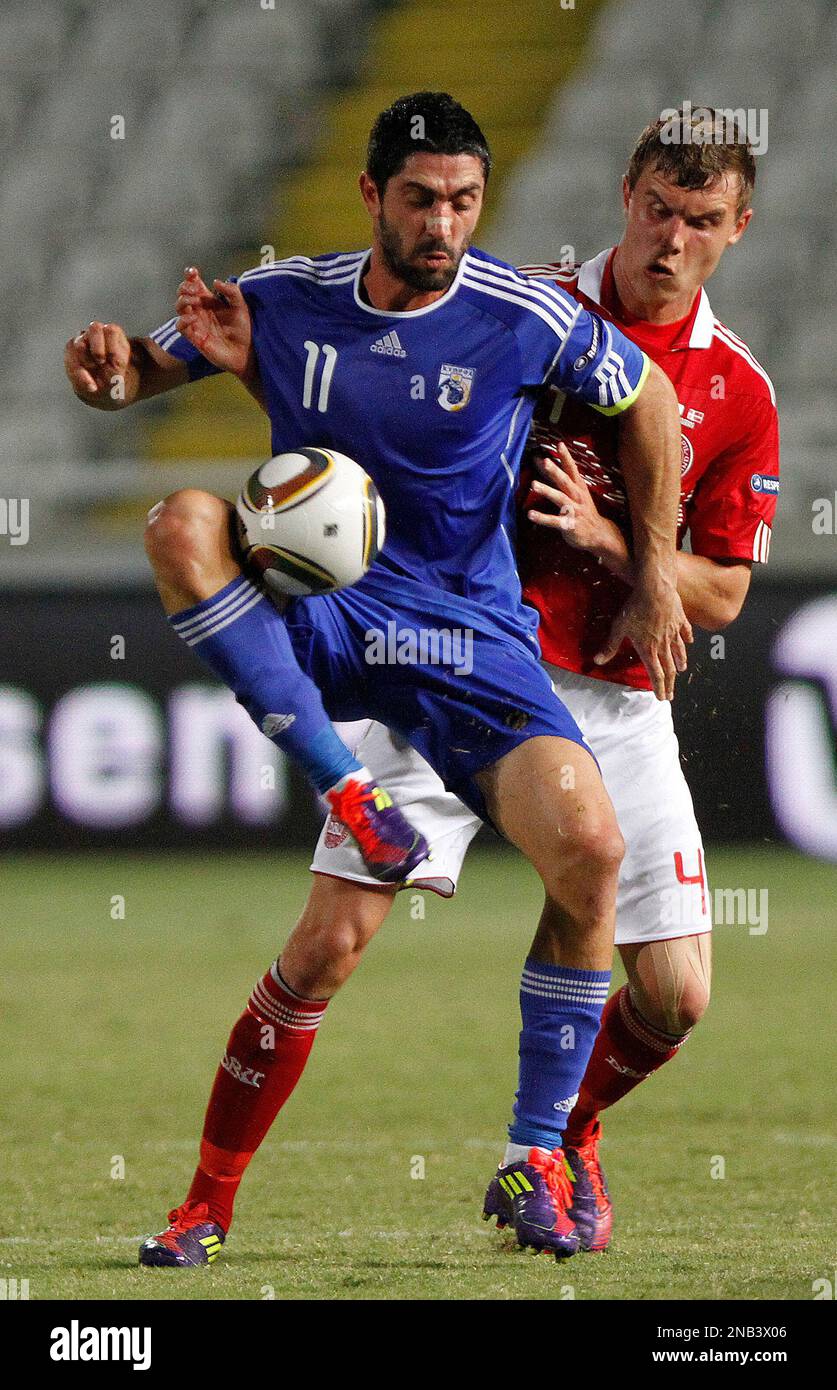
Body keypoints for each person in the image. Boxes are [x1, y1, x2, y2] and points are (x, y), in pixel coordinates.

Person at [64, 92, 690, 1268]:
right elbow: (130, 377)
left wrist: (654, 571)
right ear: (371, 196)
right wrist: (104, 364)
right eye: (420, 199)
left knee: (592, 853)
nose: (444, 223)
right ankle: (204, 1204)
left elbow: (647, 399)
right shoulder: (287, 298)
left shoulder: (523, 316)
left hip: (470, 643)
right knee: (181, 520)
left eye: (463, 200)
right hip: (332, 617)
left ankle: (536, 1155)